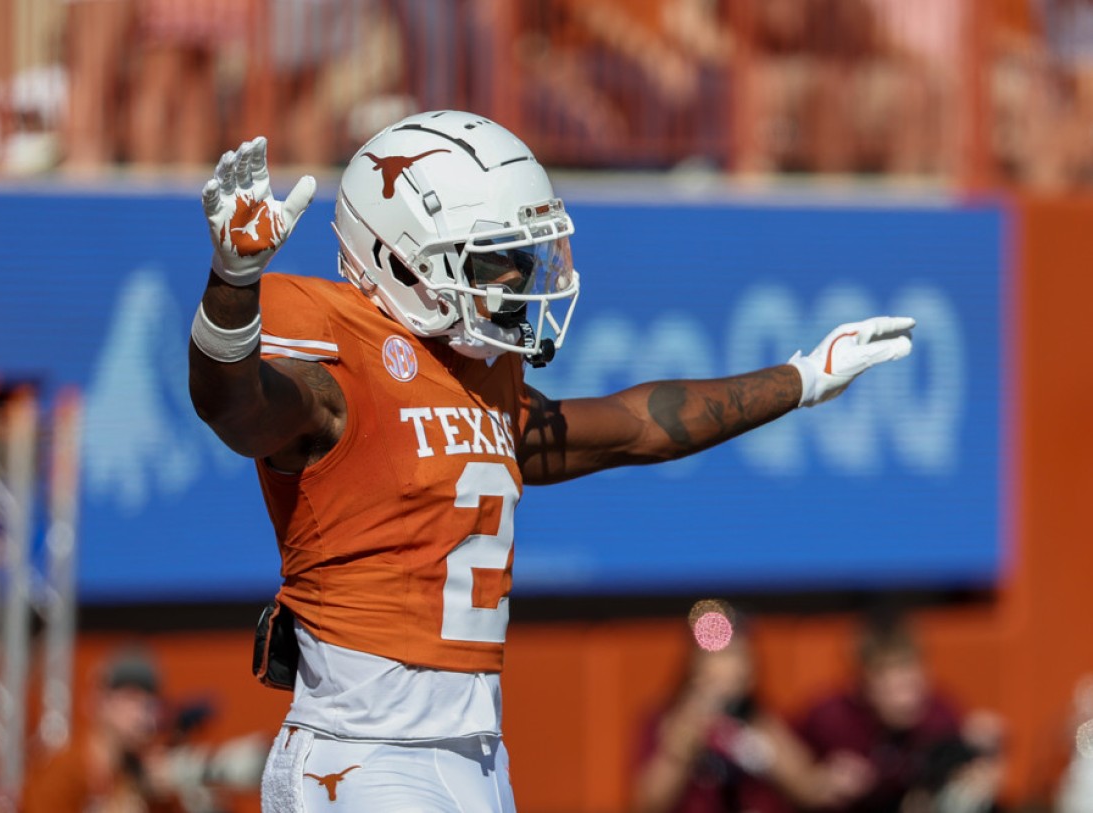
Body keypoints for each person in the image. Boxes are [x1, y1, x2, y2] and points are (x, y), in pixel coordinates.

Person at [187, 110, 915, 812]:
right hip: (361, 753)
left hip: (476, 752)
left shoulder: (485, 384)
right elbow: (235, 406)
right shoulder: (336, 372)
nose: (514, 278)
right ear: (397, 257)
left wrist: (802, 378)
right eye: (490, 257)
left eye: (518, 255)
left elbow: (636, 427)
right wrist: (233, 283)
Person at [632, 609, 873, 813]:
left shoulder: (760, 721)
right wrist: (687, 737)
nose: (735, 669)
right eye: (722, 657)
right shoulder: (669, 721)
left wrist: (834, 780)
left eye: (741, 657)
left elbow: (806, 785)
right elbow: (649, 803)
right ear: (696, 666)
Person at [795, 612, 1004, 813]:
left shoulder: (940, 717)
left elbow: (965, 779)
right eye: (890, 688)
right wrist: (817, 783)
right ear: (863, 685)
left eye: (911, 685)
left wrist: (980, 768)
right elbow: (792, 777)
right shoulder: (829, 720)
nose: (904, 700)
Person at [21, 647, 179, 813]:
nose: (142, 713)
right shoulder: (64, 770)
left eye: (149, 701)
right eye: (131, 698)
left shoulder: (143, 772)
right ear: (100, 701)